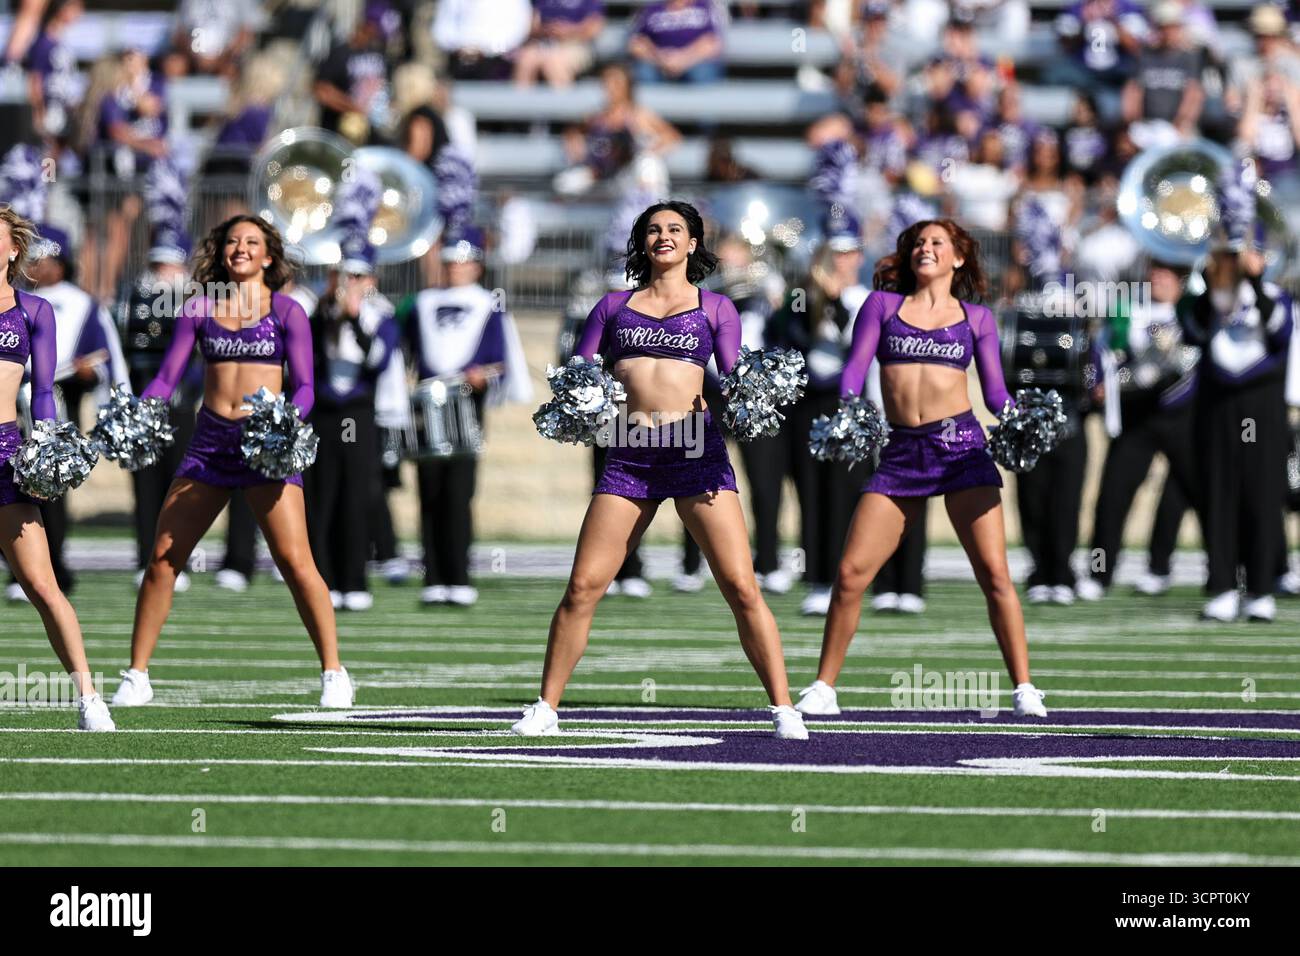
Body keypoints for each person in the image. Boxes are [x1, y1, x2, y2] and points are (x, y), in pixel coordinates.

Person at [510, 200, 809, 740]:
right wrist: (577, 397)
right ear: (641, 243)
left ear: (693, 243)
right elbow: (579, 373)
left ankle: (784, 707)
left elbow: (735, 374)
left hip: (694, 446)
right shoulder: (612, 307)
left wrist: (759, 387)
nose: (664, 236)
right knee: (583, 586)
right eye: (654, 229)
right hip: (628, 449)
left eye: (675, 229)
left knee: (741, 586)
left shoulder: (716, 307)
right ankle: (546, 707)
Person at [794, 219, 1048, 719]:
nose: (925, 249)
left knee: (995, 574)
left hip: (961, 449)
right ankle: (824, 687)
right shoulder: (882, 306)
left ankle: (1024, 688)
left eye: (937, 243)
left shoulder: (976, 318)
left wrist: (1026, 421)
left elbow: (995, 395)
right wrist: (849, 411)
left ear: (957, 258)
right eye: (918, 243)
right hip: (902, 452)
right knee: (850, 574)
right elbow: (853, 371)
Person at [111, 215, 354, 708]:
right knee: (163, 559)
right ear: (222, 253)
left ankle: (333, 671)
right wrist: (145, 405)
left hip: (265, 442)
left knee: (295, 560)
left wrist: (285, 420)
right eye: (232, 242)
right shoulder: (199, 309)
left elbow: (305, 385)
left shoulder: (288, 311)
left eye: (251, 242)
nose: (240, 248)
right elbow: (168, 375)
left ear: (269, 256)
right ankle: (136, 674)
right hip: (210, 444)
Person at [0, 204, 114, 730]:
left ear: (14, 248)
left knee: (42, 584)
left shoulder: (32, 312)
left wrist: (43, 453)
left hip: (4, 453)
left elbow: (43, 393)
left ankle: (89, 697)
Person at [400, 224, 532, 607]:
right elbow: (400, 349)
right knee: (428, 489)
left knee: (459, 491)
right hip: (427, 402)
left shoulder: (490, 304)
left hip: (465, 403)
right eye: (449, 261)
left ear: (477, 265)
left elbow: (499, 363)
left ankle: (458, 575)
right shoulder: (421, 302)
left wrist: (481, 376)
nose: (455, 268)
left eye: (463, 261)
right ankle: (433, 576)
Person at [6, 221, 128, 602]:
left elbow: (106, 359)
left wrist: (92, 375)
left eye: (46, 258)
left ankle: (51, 569)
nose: (39, 266)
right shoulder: (14, 298)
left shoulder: (79, 302)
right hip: (11, 405)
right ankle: (18, 570)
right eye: (35, 258)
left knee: (42, 489)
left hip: (56, 401)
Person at [1179, 242, 1292, 622]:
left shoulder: (1275, 295)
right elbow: (1191, 333)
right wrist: (1213, 285)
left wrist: (1256, 281)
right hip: (1218, 405)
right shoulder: (1208, 296)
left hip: (1260, 407)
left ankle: (1260, 588)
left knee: (1261, 494)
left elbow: (1279, 336)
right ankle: (1222, 586)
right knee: (1217, 494)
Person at [1079, 260, 1199, 600]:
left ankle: (1174, 569)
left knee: (1192, 493)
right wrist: (1100, 386)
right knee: (1113, 496)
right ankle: (1099, 573)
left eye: (1169, 272)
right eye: (1156, 271)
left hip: (1182, 416)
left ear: (1181, 279)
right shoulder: (1126, 312)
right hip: (1137, 418)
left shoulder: (1193, 312)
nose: (1159, 277)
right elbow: (1100, 355)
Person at [767, 217, 867, 616]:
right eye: (834, 255)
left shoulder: (864, 298)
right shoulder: (802, 296)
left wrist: (837, 301)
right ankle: (817, 579)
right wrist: (812, 296)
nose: (840, 262)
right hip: (809, 405)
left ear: (858, 257)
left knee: (845, 491)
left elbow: (854, 341)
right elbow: (789, 335)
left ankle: (847, 576)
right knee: (810, 491)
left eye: (846, 254)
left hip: (848, 403)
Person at [305, 238, 398, 612]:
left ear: (371, 279)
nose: (350, 281)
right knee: (323, 496)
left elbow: (377, 360)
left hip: (357, 415)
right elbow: (308, 357)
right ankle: (324, 580)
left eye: (358, 275)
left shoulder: (383, 316)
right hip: (325, 414)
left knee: (356, 497)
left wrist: (356, 316)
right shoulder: (320, 313)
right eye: (345, 274)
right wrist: (332, 312)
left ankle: (354, 579)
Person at [118, 223, 201, 590]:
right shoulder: (132, 298)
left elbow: (201, 359)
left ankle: (175, 560)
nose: (161, 274)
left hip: (180, 407)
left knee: (178, 486)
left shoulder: (197, 302)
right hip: (142, 405)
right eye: (157, 266)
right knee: (146, 485)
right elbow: (127, 348)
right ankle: (145, 558)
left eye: (169, 266)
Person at [627, 0, 726, 85]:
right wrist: (660, 58)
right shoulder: (652, 9)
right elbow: (635, 43)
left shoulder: (704, 6)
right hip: (658, 63)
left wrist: (683, 59)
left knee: (701, 73)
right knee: (644, 72)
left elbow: (713, 43)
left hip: (695, 62)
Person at [514, 0, 606, 89]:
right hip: (544, 43)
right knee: (526, 59)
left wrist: (568, 31)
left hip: (576, 45)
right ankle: (521, 103)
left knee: (554, 62)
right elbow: (531, 27)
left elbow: (594, 29)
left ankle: (565, 102)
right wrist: (548, 29)